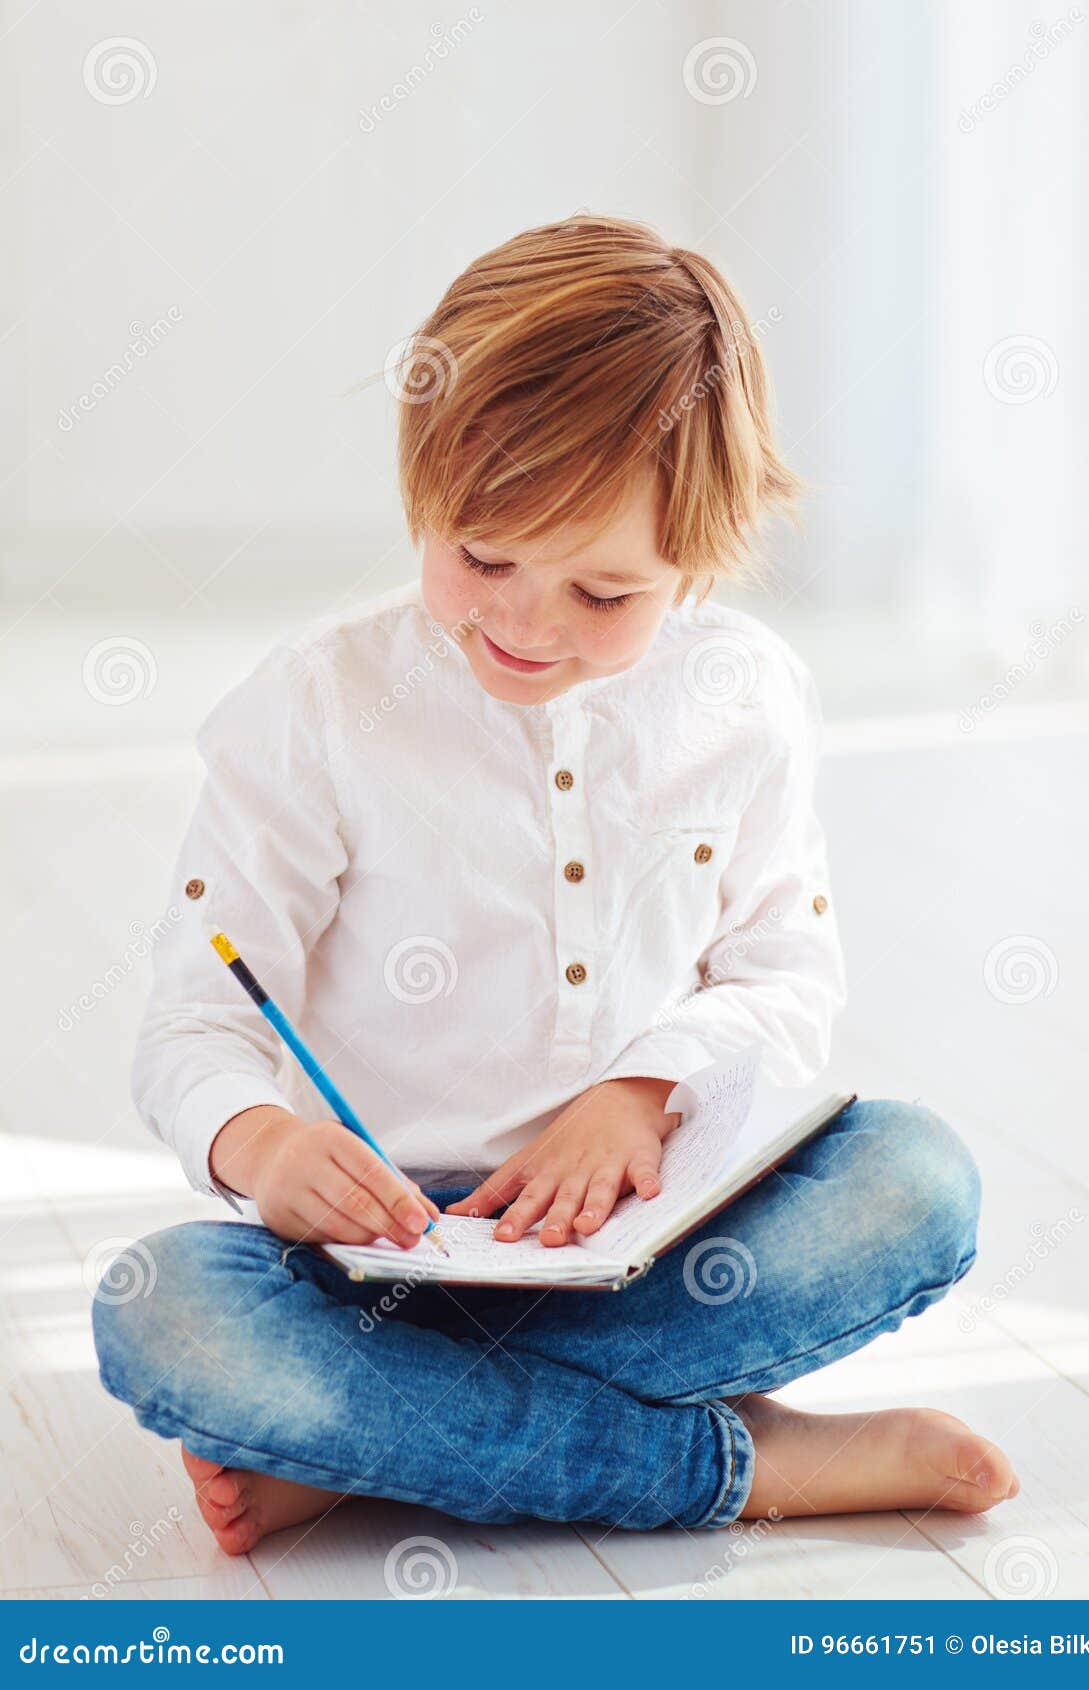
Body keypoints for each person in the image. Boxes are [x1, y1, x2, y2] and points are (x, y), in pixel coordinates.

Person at [93, 216, 1016, 1553]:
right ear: (424, 493)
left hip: (653, 1245)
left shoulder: (746, 695)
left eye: (603, 593)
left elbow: (783, 978)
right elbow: (195, 1022)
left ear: (699, 559)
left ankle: (376, 1444)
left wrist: (639, 1093)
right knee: (164, 1308)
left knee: (916, 1179)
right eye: (482, 560)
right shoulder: (315, 706)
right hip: (371, 1264)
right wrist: (266, 1145)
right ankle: (744, 1465)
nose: (525, 625)